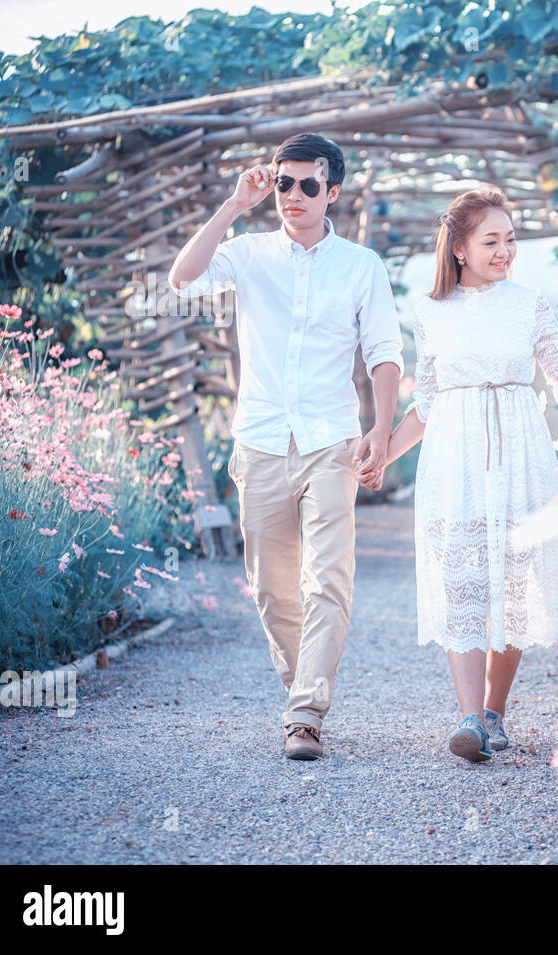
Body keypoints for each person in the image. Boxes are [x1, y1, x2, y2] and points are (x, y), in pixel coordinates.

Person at [360, 188, 558, 762]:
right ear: (461, 250)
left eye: (510, 239)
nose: (505, 251)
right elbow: (427, 403)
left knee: (514, 580)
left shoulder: (528, 303)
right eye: (491, 241)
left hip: (522, 453)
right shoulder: (430, 311)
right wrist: (383, 458)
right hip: (455, 458)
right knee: (462, 578)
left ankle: (495, 710)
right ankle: (469, 719)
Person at [169, 133, 404, 760]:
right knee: (272, 589)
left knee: (328, 578)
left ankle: (305, 713)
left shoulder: (362, 267)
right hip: (262, 441)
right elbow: (182, 278)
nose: (292, 196)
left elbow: (384, 355)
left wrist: (381, 430)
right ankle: (304, 685)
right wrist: (231, 206)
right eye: (283, 182)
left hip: (332, 440)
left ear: (332, 192)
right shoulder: (246, 252)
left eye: (307, 185)